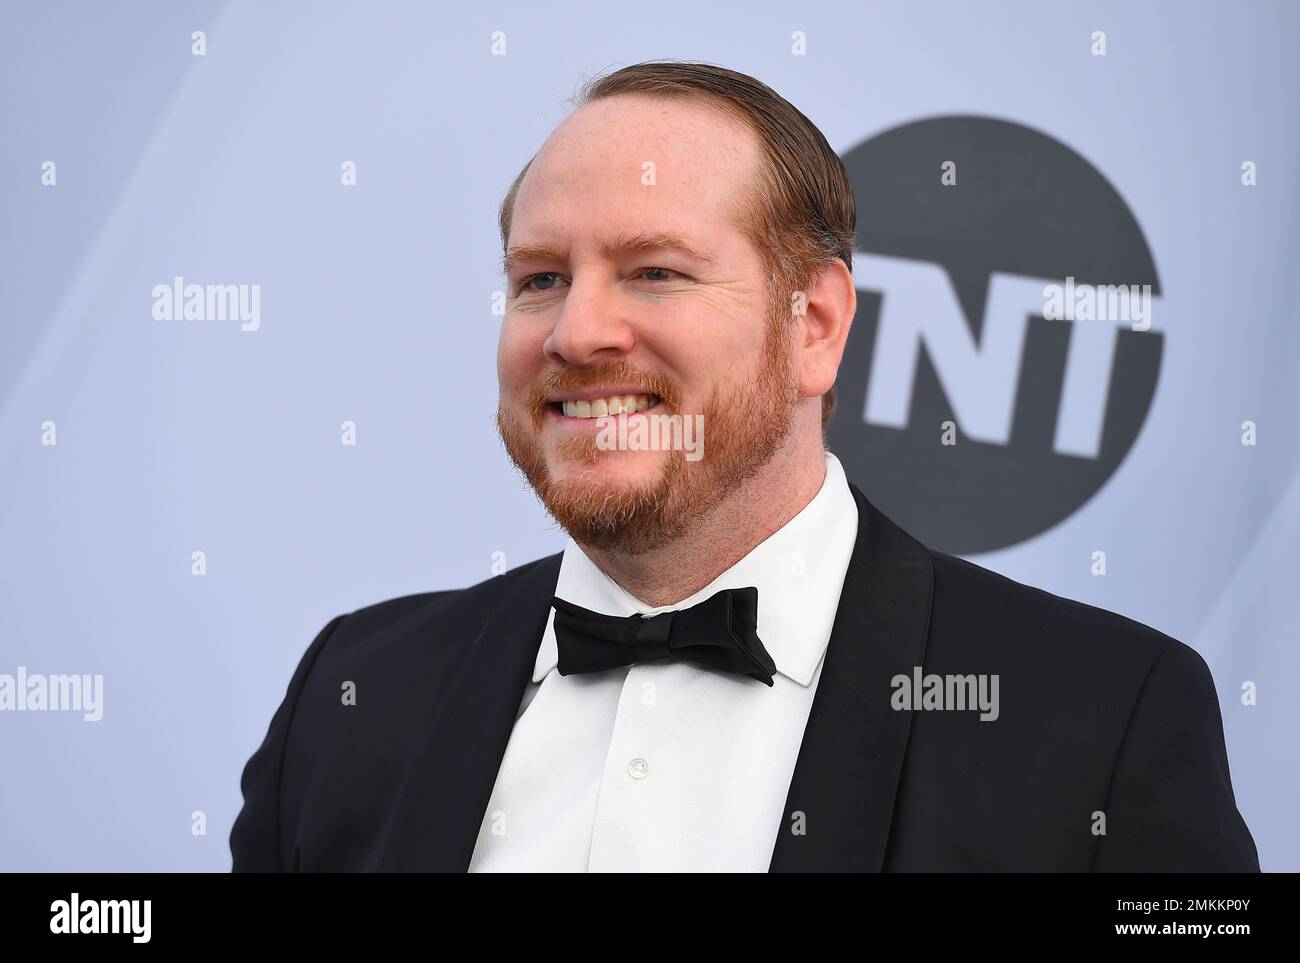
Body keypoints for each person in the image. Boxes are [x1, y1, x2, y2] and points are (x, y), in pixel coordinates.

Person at [230, 61, 1258, 872]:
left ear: (813, 326)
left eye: (655, 273)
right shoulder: (355, 691)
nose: (577, 332)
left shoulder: (1101, 713)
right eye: (540, 278)